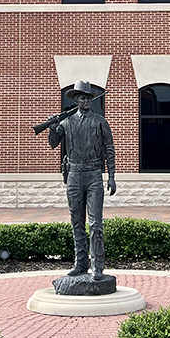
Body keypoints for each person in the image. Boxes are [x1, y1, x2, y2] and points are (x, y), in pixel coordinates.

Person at [48, 80, 116, 280]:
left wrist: (111, 176)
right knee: (77, 222)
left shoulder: (100, 121)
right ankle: (80, 264)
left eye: (88, 97)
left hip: (94, 174)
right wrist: (52, 127)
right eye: (81, 97)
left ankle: (98, 266)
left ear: (91, 100)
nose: (85, 100)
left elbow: (109, 150)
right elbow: (53, 144)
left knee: (95, 224)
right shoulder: (66, 122)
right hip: (74, 175)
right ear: (76, 100)